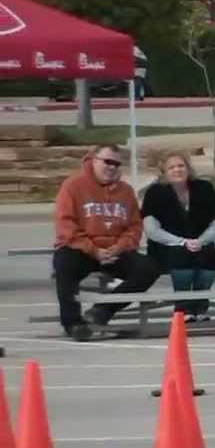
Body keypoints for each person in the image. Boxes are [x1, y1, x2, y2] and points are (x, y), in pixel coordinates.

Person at [51, 144, 161, 341]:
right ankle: (73, 324)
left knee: (149, 268)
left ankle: (102, 311)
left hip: (115, 250)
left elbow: (134, 227)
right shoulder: (72, 186)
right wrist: (93, 250)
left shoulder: (126, 191)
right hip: (82, 249)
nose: (112, 167)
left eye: (117, 164)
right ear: (93, 160)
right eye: (108, 162)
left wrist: (119, 247)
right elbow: (66, 225)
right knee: (64, 265)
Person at [141, 152, 215, 322]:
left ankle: (200, 304)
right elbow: (151, 230)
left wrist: (201, 241)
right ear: (164, 172)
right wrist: (181, 242)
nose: (177, 170)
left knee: (210, 256)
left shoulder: (203, 188)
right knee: (181, 254)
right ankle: (183, 306)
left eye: (181, 165)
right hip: (166, 246)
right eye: (171, 167)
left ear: (188, 168)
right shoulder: (155, 192)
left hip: (199, 243)